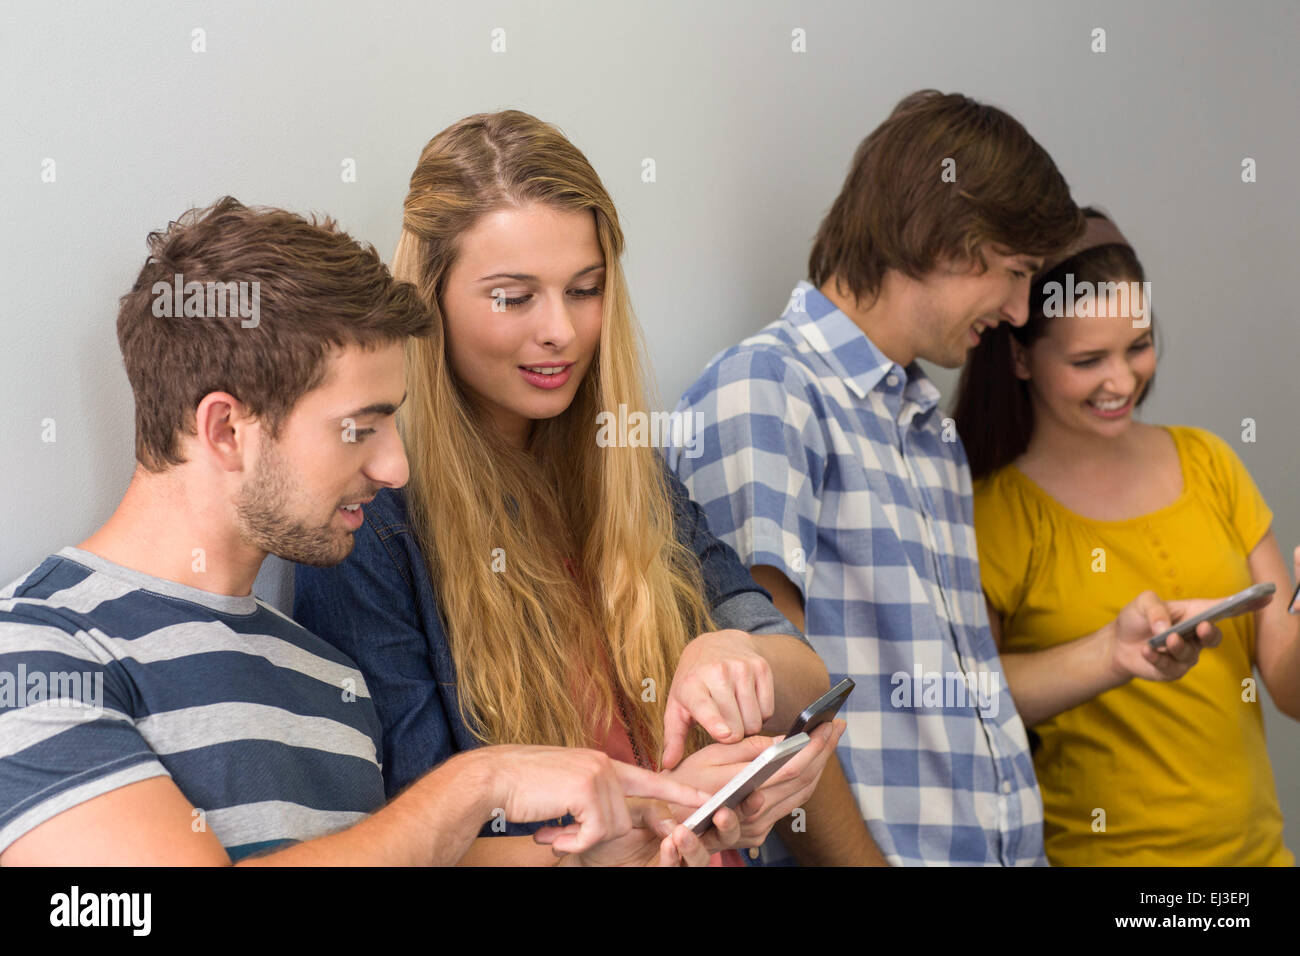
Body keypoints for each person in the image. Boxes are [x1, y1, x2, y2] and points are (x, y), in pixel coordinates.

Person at [0, 197, 728, 867]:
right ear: (226, 429)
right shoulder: (39, 652)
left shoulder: (328, 678)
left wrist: (618, 839)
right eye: (361, 427)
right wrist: (482, 780)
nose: (395, 467)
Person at [293, 109, 874, 866]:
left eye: (585, 289)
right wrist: (647, 817)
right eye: (514, 296)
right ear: (429, 299)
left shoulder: (629, 470)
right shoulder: (371, 523)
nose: (561, 331)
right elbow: (425, 840)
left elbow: (801, 672)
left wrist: (736, 655)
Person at [669, 90, 1227, 866]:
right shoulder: (766, 393)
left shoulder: (927, 429)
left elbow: (964, 695)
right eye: (1018, 273)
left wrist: (1112, 652)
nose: (1020, 307)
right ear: (956, 244)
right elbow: (767, 712)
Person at [953, 207, 1299, 865]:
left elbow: (1288, 688)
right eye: (1088, 360)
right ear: (1022, 358)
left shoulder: (1211, 463)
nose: (1122, 381)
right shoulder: (994, 513)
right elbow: (976, 703)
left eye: (1137, 347)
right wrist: (1108, 654)